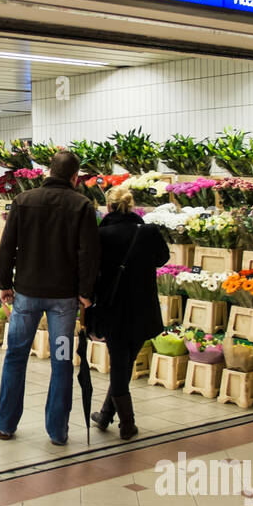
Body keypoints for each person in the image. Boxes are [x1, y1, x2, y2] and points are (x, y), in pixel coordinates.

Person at [0, 150, 99, 446]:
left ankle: (5, 424)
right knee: (62, 361)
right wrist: (86, 293)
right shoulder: (82, 205)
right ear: (75, 177)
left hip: (26, 296)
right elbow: (89, 255)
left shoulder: (24, 201)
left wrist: (4, 284)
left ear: (48, 172)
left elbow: (7, 248)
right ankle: (57, 431)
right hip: (64, 301)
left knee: (15, 356)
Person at [89, 182, 169, 439]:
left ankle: (127, 424)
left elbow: (93, 271)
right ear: (131, 205)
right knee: (126, 363)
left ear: (109, 206)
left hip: (113, 308)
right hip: (143, 308)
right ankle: (105, 415)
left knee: (119, 366)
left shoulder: (101, 236)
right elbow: (162, 258)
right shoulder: (148, 232)